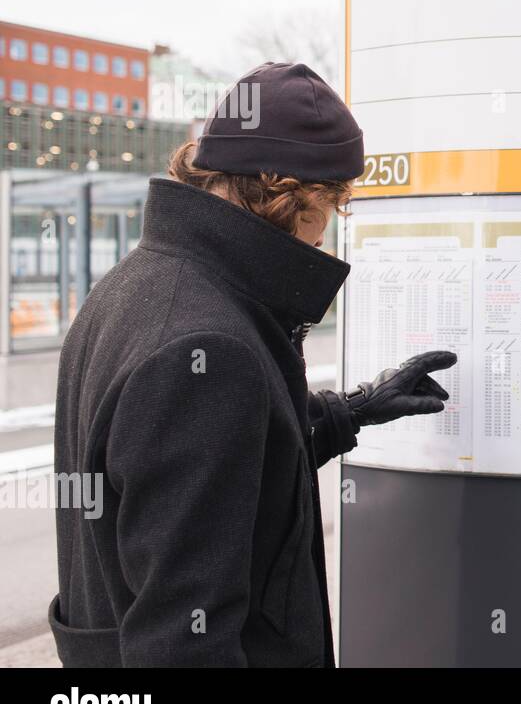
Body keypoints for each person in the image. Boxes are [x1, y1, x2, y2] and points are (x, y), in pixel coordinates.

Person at [48, 62, 455, 667]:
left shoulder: (135, 287)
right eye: (330, 204)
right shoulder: (204, 351)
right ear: (284, 191)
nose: (324, 234)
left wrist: (351, 411)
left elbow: (222, 473)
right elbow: (185, 642)